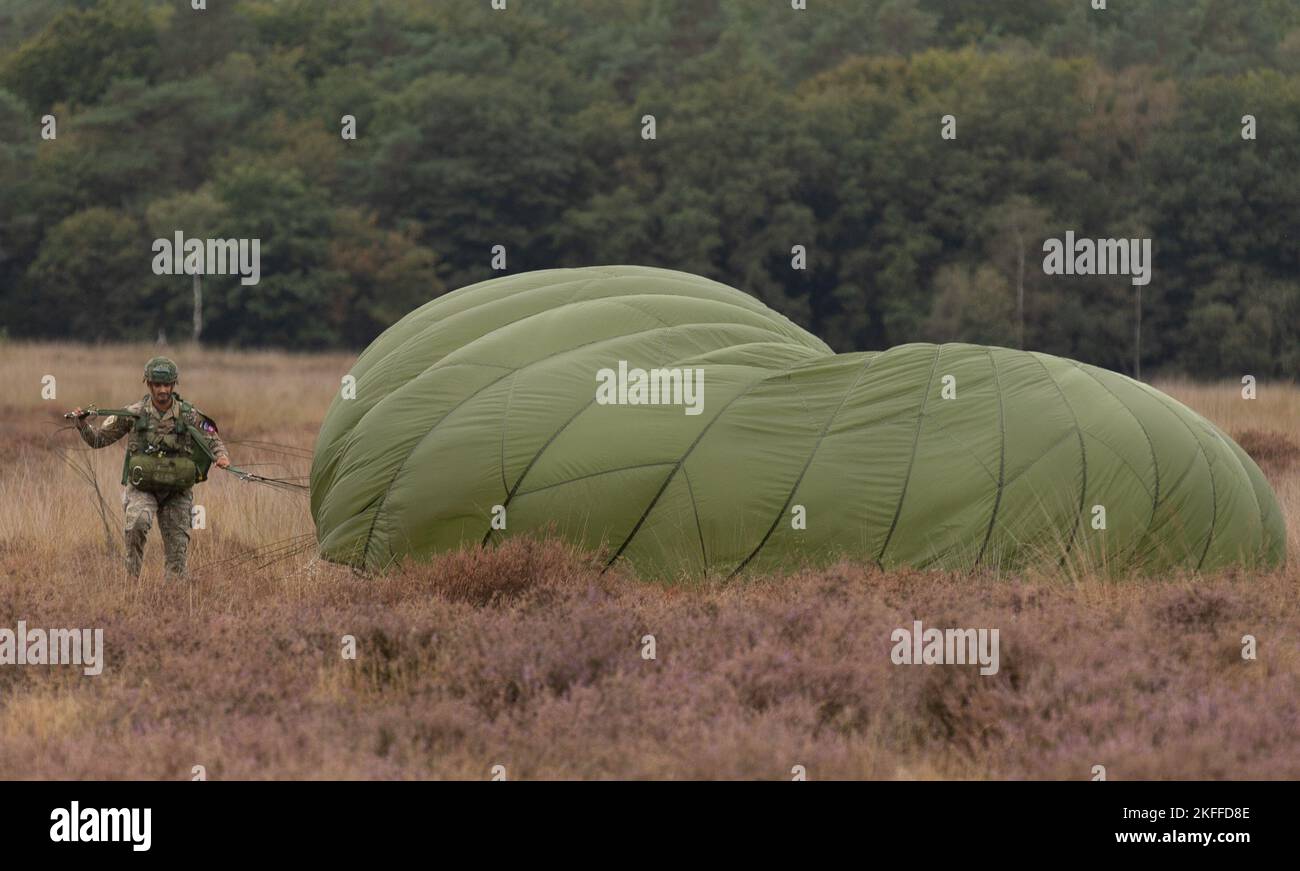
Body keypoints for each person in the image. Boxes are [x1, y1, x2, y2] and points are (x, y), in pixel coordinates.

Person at [72, 356, 230, 580]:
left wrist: (221, 456)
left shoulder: (189, 414)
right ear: (148, 384)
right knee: (137, 523)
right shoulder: (133, 413)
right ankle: (130, 586)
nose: (163, 390)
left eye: (167, 385)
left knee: (177, 550)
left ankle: (174, 600)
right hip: (142, 487)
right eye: (157, 385)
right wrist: (82, 426)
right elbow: (99, 440)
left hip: (177, 490)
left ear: (174, 385)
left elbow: (211, 436)